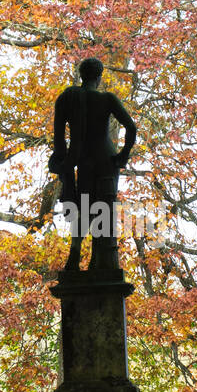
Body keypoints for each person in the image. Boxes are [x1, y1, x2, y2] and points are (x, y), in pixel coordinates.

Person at [48, 56, 137, 273]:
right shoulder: (107, 99)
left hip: (85, 161)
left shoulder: (66, 99)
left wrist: (64, 164)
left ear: (82, 75)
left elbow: (59, 141)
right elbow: (131, 128)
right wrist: (123, 155)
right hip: (106, 160)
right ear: (98, 77)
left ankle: (75, 253)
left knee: (85, 210)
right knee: (104, 211)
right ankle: (102, 263)